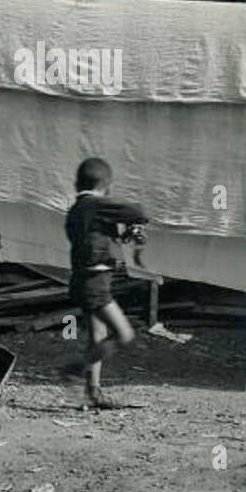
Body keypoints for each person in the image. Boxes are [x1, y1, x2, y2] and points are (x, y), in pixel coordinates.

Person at [62, 157, 149, 408]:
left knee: (98, 336)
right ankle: (75, 370)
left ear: (76, 183)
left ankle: (94, 393)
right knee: (124, 334)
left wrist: (123, 234)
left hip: (87, 279)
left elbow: (96, 239)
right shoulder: (94, 205)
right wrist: (134, 223)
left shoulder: (79, 211)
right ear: (106, 186)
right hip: (95, 284)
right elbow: (137, 211)